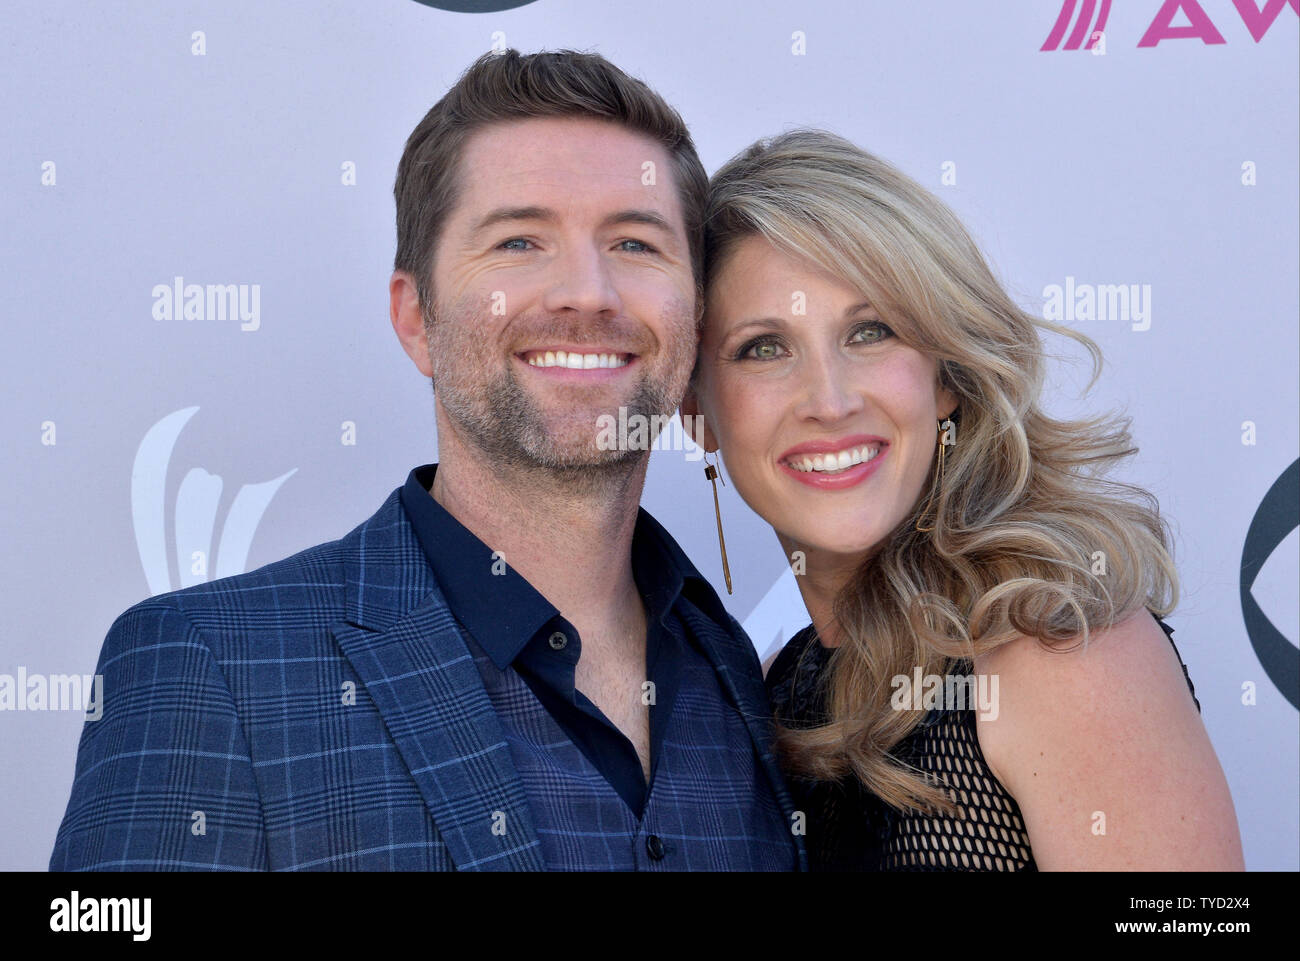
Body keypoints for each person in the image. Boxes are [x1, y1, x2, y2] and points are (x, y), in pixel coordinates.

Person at [49, 50, 804, 872]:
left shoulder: (749, 682)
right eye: (519, 240)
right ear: (417, 320)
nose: (587, 292)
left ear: (694, 314)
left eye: (634, 241)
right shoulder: (209, 668)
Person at [683, 128, 1245, 871]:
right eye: (764, 346)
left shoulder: (1059, 651)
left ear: (945, 377)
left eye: (870, 331)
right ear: (699, 414)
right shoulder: (774, 691)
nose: (829, 399)